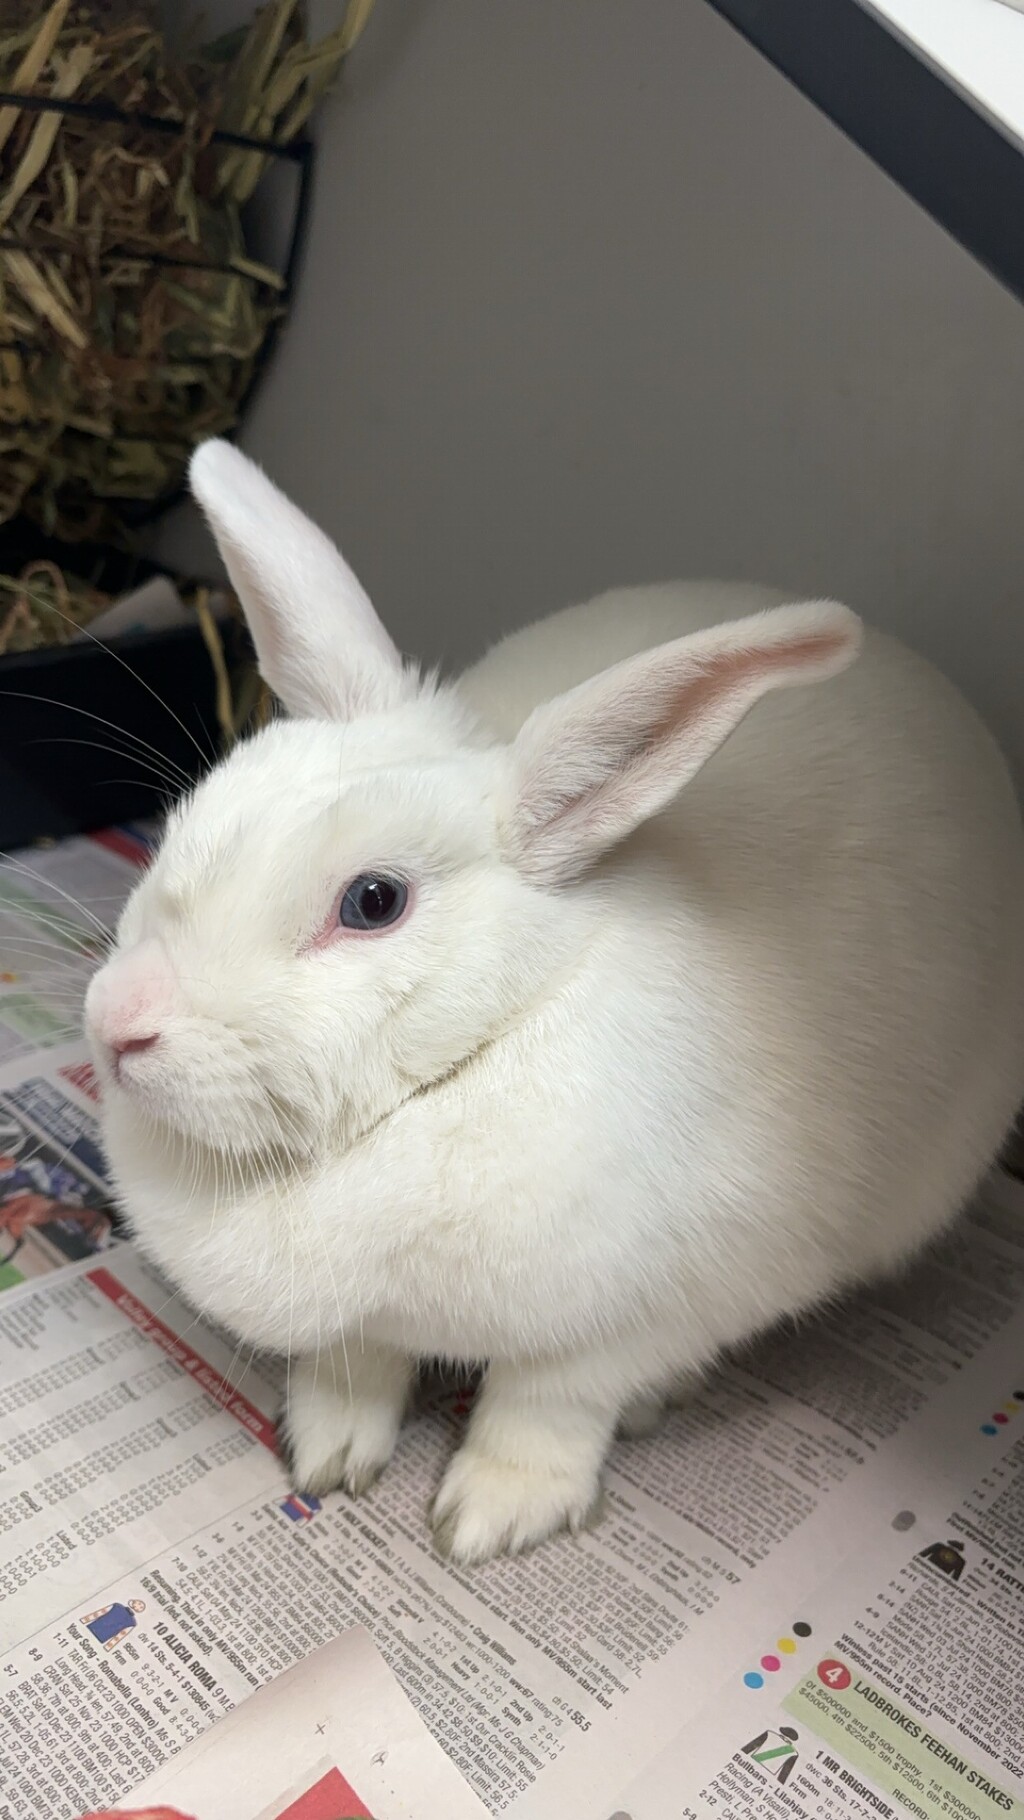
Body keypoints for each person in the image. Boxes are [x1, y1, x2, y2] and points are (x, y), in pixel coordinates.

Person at [81, 1598, 146, 1651]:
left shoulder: (132, 1622)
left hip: (97, 1631)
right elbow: (100, 1612)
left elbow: (121, 1635)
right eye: (139, 1604)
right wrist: (108, 1647)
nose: (139, 1606)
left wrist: (84, 1620)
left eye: (141, 1607)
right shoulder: (118, 1606)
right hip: (98, 1632)